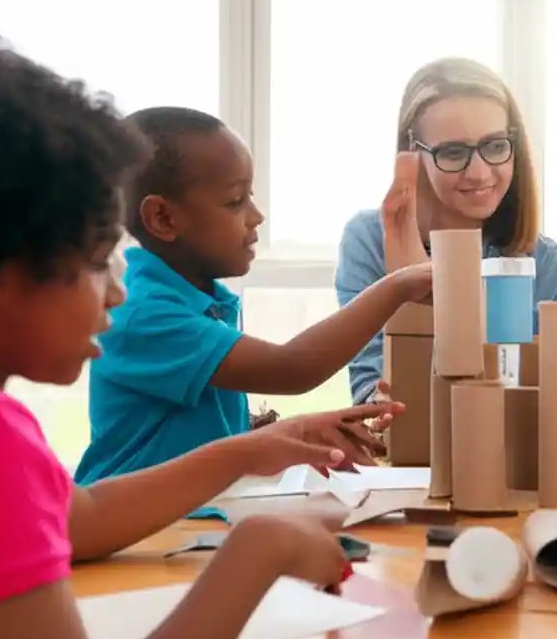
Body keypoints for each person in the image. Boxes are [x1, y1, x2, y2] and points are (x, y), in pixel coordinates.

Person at [0, 32, 399, 639]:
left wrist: (254, 446)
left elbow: (80, 518)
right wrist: (262, 552)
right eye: (94, 262)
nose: (116, 293)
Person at [76, 107, 433, 486]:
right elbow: (291, 368)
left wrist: (302, 433)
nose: (256, 216)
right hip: (131, 529)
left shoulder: (198, 299)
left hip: (189, 515)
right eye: (235, 201)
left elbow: (193, 436)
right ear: (164, 218)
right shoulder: (141, 312)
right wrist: (395, 286)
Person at [336, 57, 557, 405]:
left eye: (495, 146)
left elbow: (551, 399)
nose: (479, 173)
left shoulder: (551, 264)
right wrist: (409, 276)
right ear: (411, 155)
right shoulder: (370, 241)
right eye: (452, 152)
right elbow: (373, 389)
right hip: (407, 452)